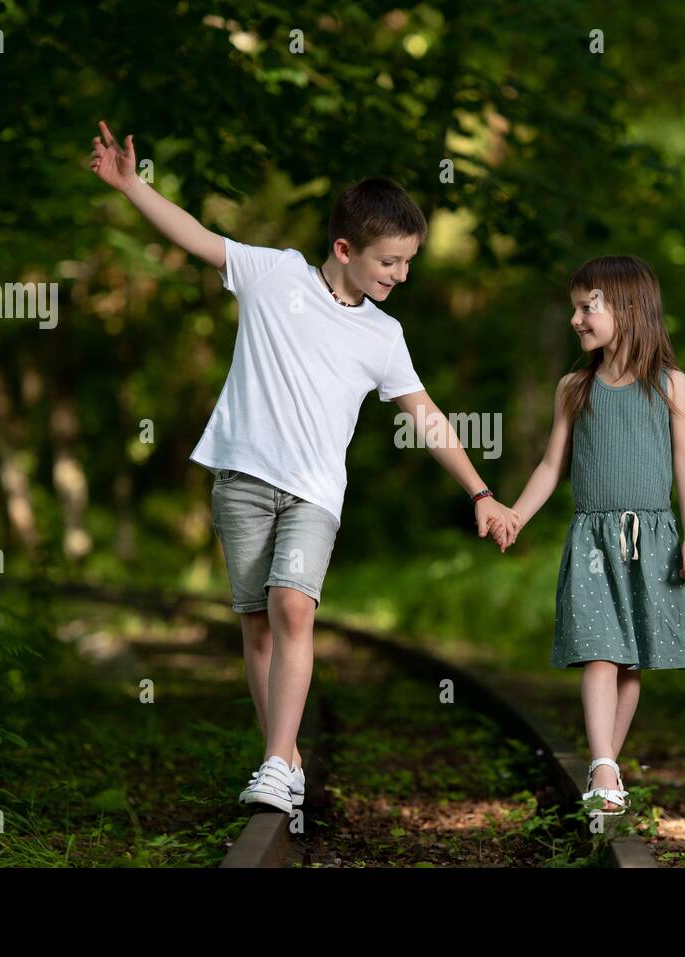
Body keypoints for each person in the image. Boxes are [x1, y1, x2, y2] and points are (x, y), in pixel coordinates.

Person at [90, 121, 520, 812]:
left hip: (315, 493)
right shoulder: (274, 274)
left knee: (294, 606)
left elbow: (428, 415)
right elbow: (197, 236)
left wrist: (481, 492)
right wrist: (133, 185)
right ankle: (282, 760)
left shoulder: (384, 335)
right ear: (344, 248)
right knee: (257, 623)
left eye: (409, 262)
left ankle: (274, 762)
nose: (401, 275)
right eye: (389, 262)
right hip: (242, 478)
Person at [490, 255, 685, 816]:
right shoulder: (573, 388)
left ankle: (606, 762)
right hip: (592, 541)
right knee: (599, 653)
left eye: (589, 308)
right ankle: (605, 763)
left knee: (632, 661)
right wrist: (514, 514)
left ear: (629, 309)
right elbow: (549, 467)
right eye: (574, 308)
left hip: (652, 538)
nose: (576, 319)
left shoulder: (671, 385)